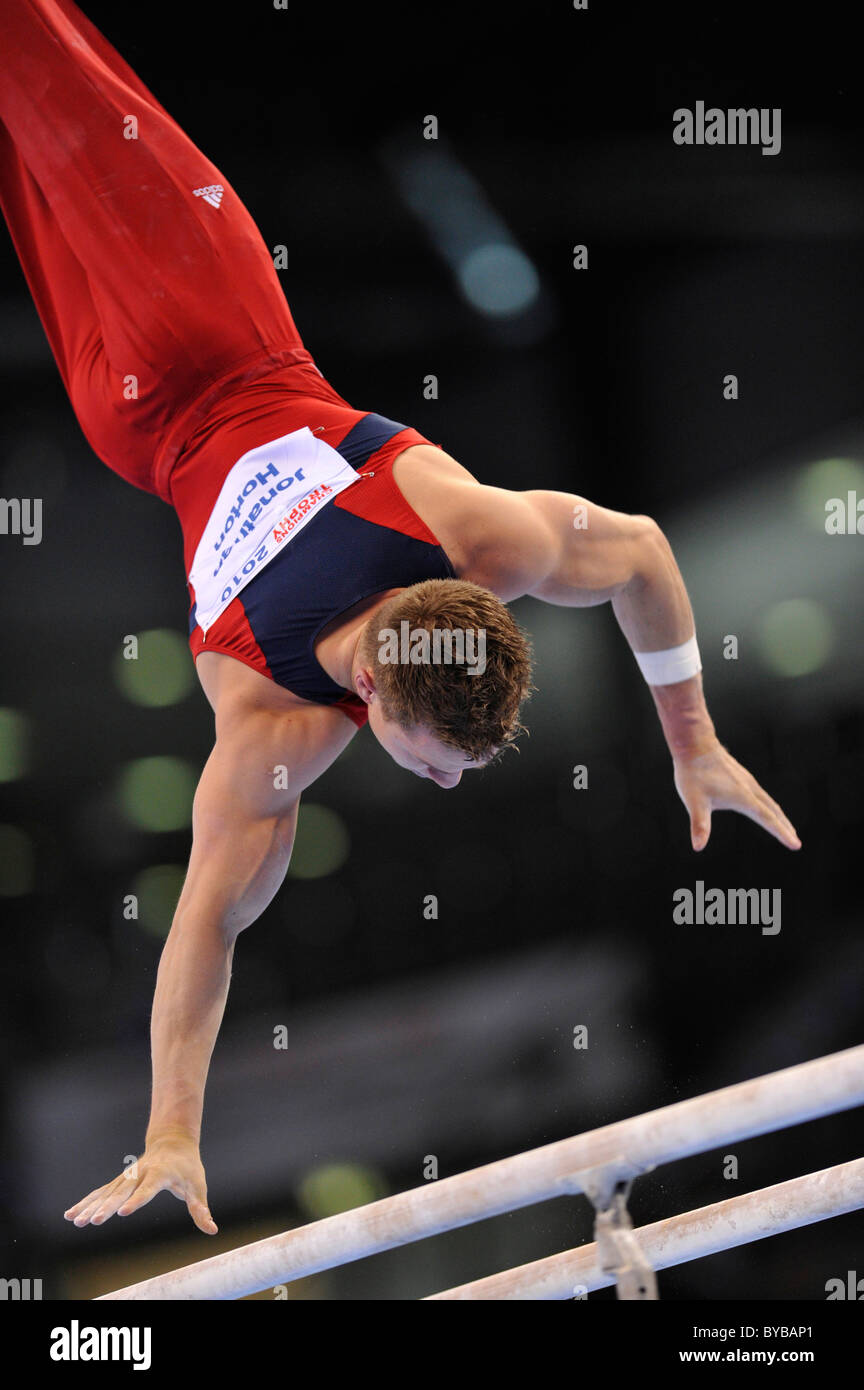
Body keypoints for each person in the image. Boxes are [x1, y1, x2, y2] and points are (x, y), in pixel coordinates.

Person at [0, 0, 800, 1236]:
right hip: (189, 329)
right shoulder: (281, 716)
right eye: (441, 762)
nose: (442, 787)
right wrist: (168, 1126)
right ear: (380, 697)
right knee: (32, 51)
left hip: (142, 419)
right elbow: (203, 926)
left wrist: (692, 736)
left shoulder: (478, 545)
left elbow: (637, 553)